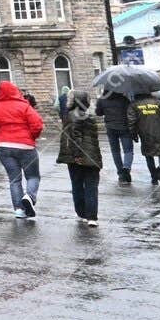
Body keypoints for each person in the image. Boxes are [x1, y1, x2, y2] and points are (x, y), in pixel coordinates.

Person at [0, 80, 45, 219]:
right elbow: (37, 125)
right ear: (16, 91)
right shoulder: (25, 106)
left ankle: (19, 210)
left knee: (14, 179)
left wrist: (0, 133)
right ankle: (29, 197)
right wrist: (32, 136)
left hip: (4, 146)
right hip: (26, 146)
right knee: (33, 176)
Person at [57, 89, 104, 226]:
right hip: (91, 156)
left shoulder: (69, 116)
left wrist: (77, 155)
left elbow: (74, 138)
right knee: (91, 187)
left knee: (77, 185)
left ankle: (82, 213)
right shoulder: (88, 117)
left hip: (75, 157)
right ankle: (92, 217)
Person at [130, 88, 160, 185]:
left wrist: (133, 134)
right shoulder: (157, 103)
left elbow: (131, 121)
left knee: (148, 155)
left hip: (144, 134)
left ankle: (154, 176)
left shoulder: (134, 105)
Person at [96, 90, 134, 184]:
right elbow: (130, 111)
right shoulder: (124, 99)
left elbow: (98, 113)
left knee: (115, 151)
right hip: (124, 127)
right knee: (128, 150)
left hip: (110, 128)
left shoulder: (102, 100)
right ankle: (126, 168)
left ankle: (121, 173)